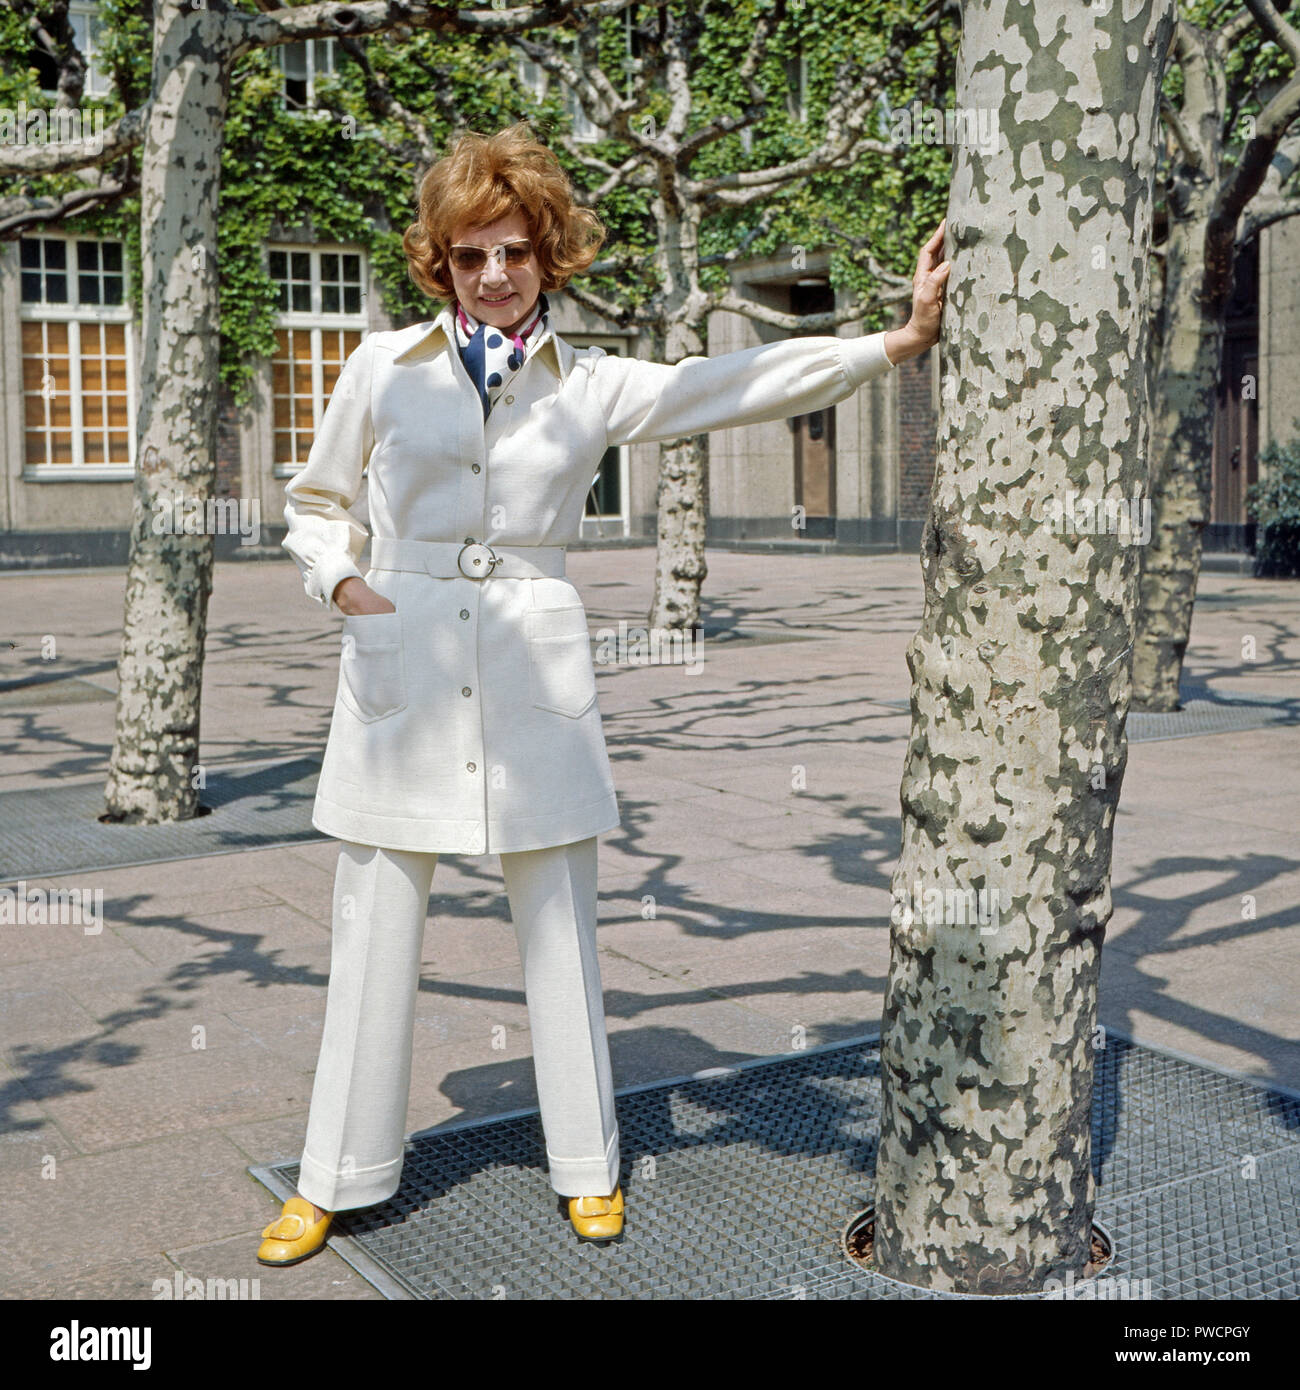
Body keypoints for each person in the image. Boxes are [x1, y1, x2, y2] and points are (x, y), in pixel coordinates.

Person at [256, 121, 949, 1266]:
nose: (495, 273)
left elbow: (732, 381)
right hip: (402, 664)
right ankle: (334, 1176)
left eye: (517, 250)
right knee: (372, 923)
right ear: (440, 259)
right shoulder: (382, 365)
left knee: (561, 930)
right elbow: (317, 501)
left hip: (534, 666)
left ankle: (587, 1165)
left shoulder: (594, 383)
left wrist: (895, 342)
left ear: (548, 255)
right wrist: (342, 585)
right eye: (472, 252)